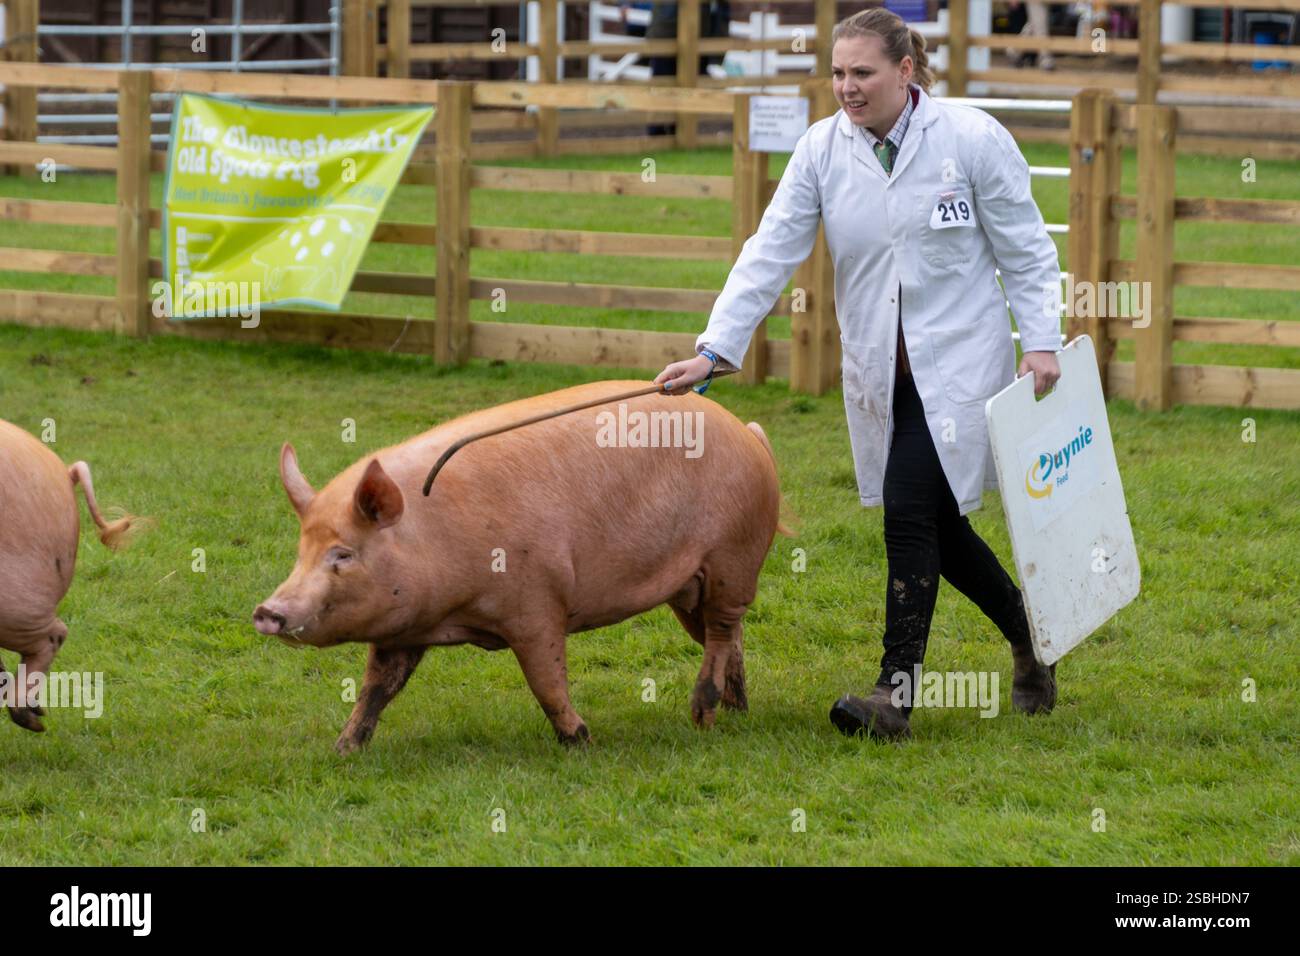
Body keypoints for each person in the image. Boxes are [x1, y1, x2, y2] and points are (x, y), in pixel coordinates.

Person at [654, 8, 1064, 741]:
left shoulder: (971, 140)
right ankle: (1031, 635)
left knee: (909, 516)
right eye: (838, 73)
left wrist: (1040, 342)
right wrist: (716, 349)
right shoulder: (822, 150)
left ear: (905, 71)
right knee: (938, 523)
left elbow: (1027, 250)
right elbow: (770, 250)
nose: (847, 87)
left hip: (961, 367)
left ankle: (893, 695)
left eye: (862, 73)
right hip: (884, 372)